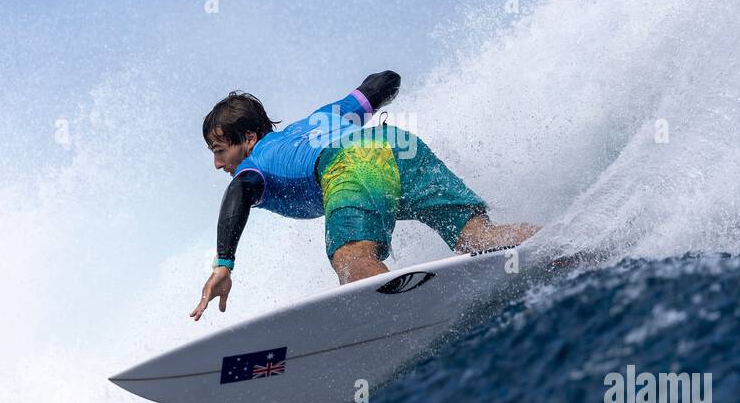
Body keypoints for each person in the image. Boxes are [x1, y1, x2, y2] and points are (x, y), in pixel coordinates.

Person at [190, 71, 539, 320]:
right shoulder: (324, 116)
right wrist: (381, 91)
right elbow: (382, 82)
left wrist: (224, 264)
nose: (218, 163)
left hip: (350, 165)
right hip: (399, 147)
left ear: (249, 138)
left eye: (220, 150)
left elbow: (239, 192)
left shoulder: (258, 162)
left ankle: (406, 322)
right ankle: (557, 239)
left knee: (352, 262)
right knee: (479, 238)